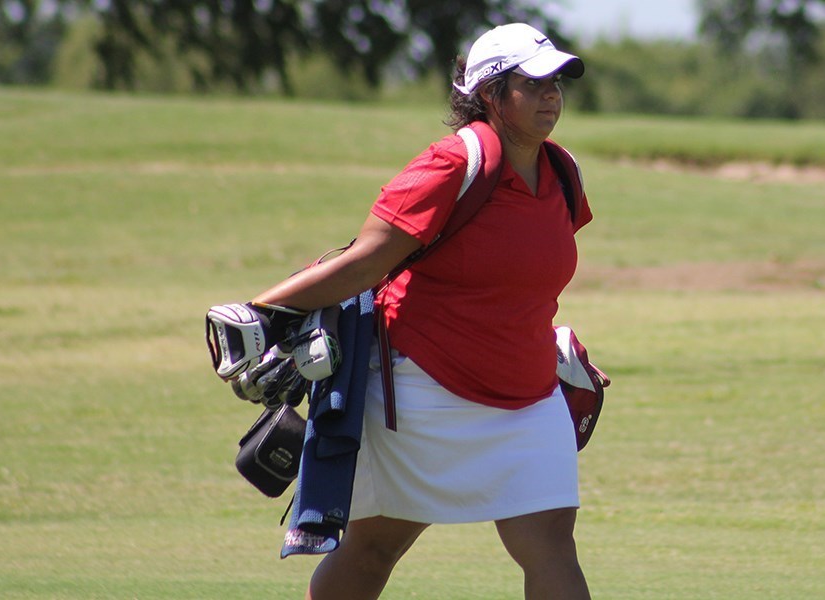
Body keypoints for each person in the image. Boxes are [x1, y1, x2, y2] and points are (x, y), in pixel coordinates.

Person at [252, 22, 594, 600]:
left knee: (552, 545)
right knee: (374, 549)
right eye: (533, 84)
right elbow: (364, 262)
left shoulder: (563, 172)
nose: (551, 95)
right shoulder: (452, 163)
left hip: (529, 397)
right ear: (491, 94)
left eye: (555, 83)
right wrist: (262, 309)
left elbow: (523, 282)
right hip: (421, 391)